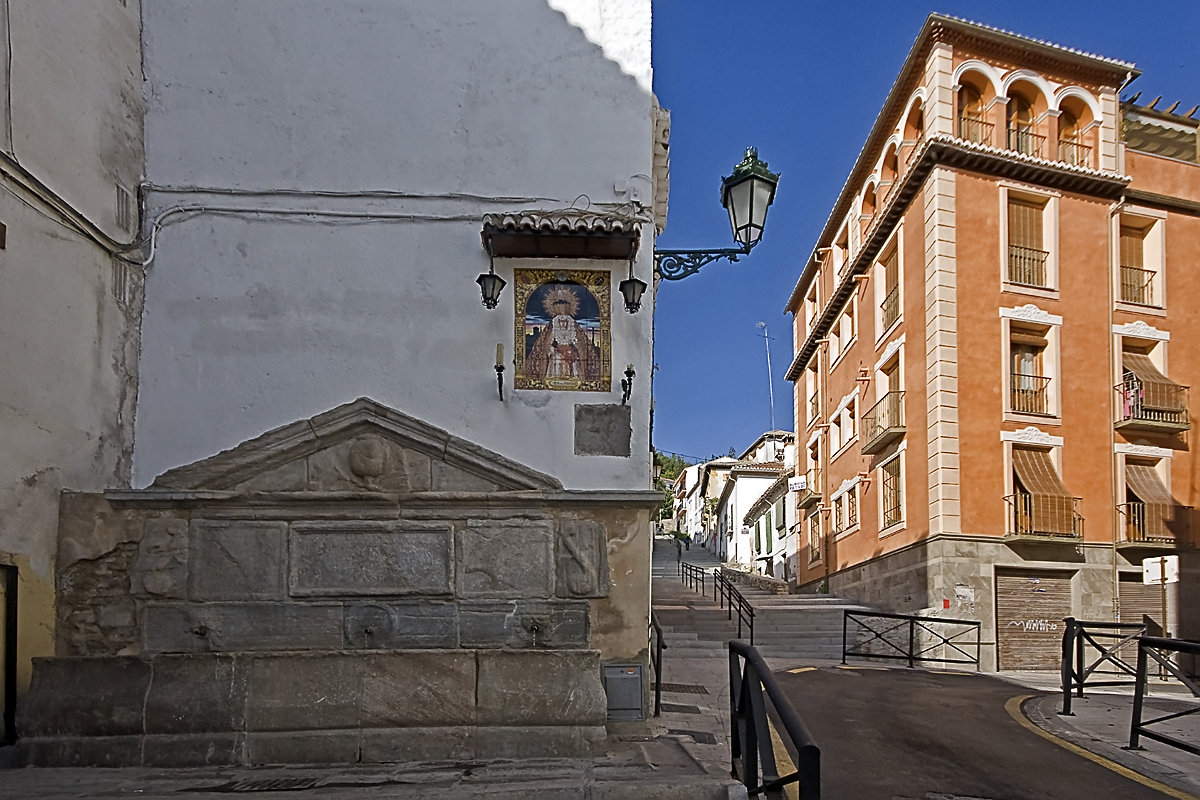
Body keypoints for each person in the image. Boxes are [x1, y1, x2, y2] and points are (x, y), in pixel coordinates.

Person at [526, 284, 602, 380]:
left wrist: (576, 353)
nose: (563, 324)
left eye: (565, 321)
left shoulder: (573, 329)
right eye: (560, 321)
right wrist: (552, 350)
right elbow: (547, 345)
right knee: (557, 362)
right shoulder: (553, 328)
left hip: (571, 356)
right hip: (557, 357)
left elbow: (580, 346)